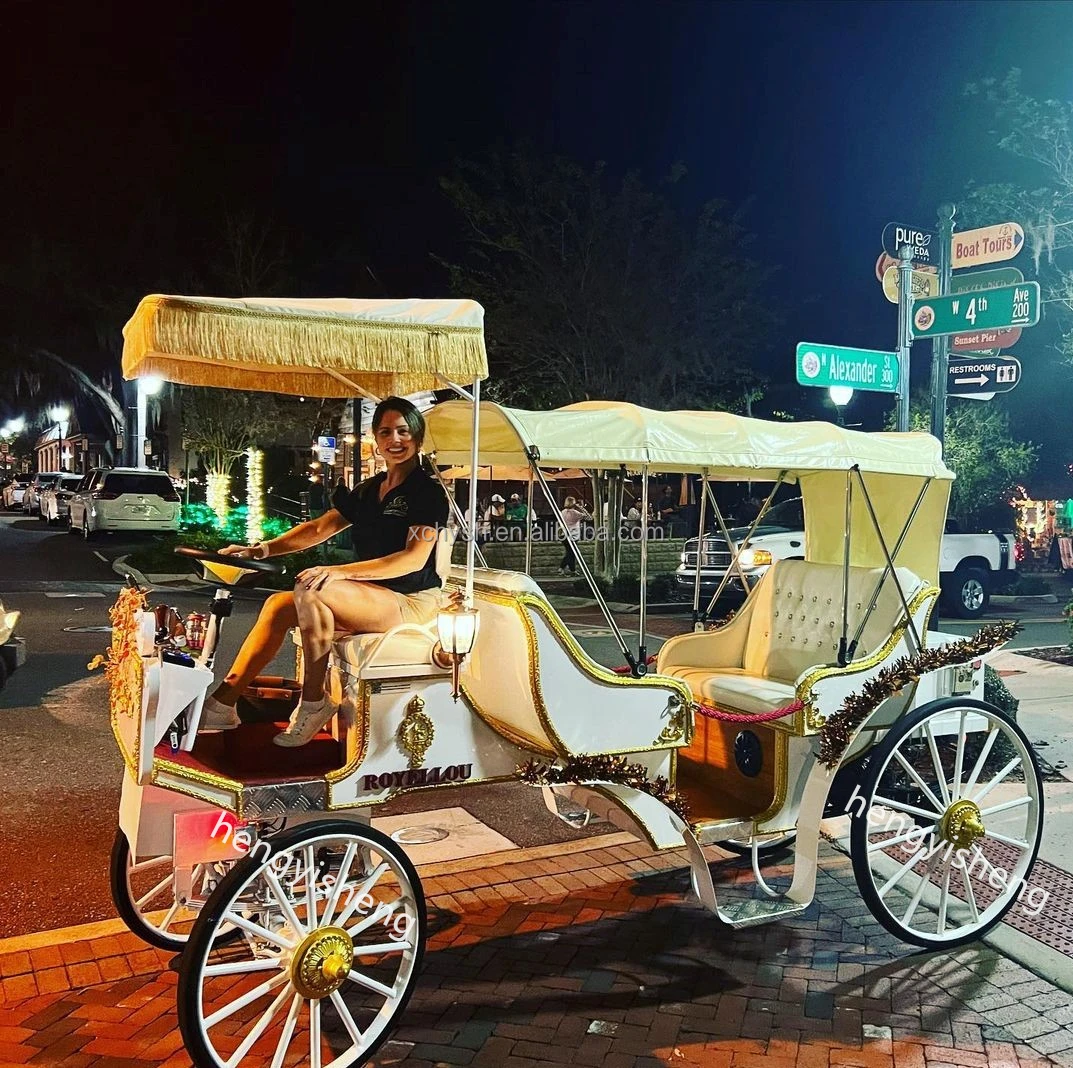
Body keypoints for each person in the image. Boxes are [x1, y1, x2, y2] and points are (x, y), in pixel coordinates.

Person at [200, 396, 448, 747]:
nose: (395, 439)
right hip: (372, 597)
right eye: (385, 431)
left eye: (404, 431)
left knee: (313, 587)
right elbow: (318, 529)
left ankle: (313, 702)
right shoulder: (369, 489)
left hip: (411, 600)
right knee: (276, 606)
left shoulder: (427, 493)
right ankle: (221, 705)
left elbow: (413, 559)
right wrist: (260, 549)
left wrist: (340, 572)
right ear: (375, 440)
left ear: (418, 438)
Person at [558, 496, 592, 575]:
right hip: (573, 535)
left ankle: (572, 569)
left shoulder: (563, 512)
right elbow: (589, 517)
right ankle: (561, 567)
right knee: (572, 552)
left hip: (563, 534)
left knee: (570, 552)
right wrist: (581, 507)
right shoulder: (575, 513)